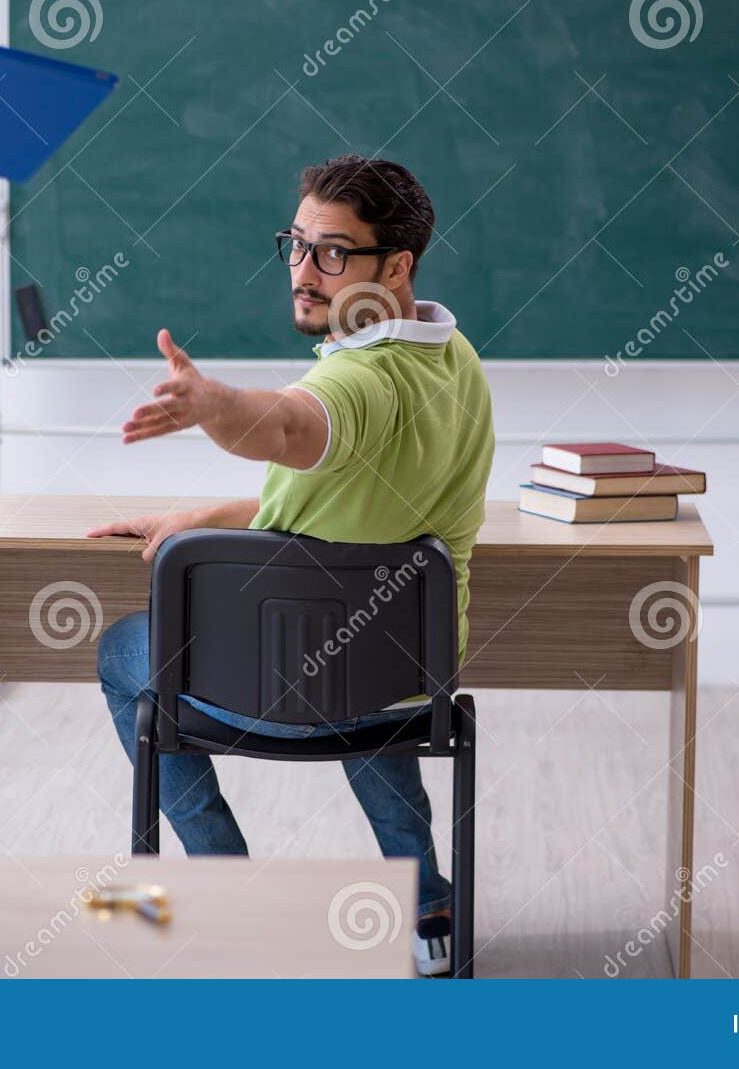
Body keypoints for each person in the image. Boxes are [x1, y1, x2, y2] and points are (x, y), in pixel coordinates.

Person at [89, 154, 495, 975]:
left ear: (397, 265)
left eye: (334, 253)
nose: (304, 274)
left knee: (121, 654)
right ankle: (428, 908)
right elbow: (337, 496)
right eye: (297, 245)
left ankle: (228, 892)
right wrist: (202, 516)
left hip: (282, 685)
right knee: (356, 655)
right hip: (404, 674)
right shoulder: (455, 363)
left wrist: (215, 408)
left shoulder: (361, 379)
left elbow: (288, 428)